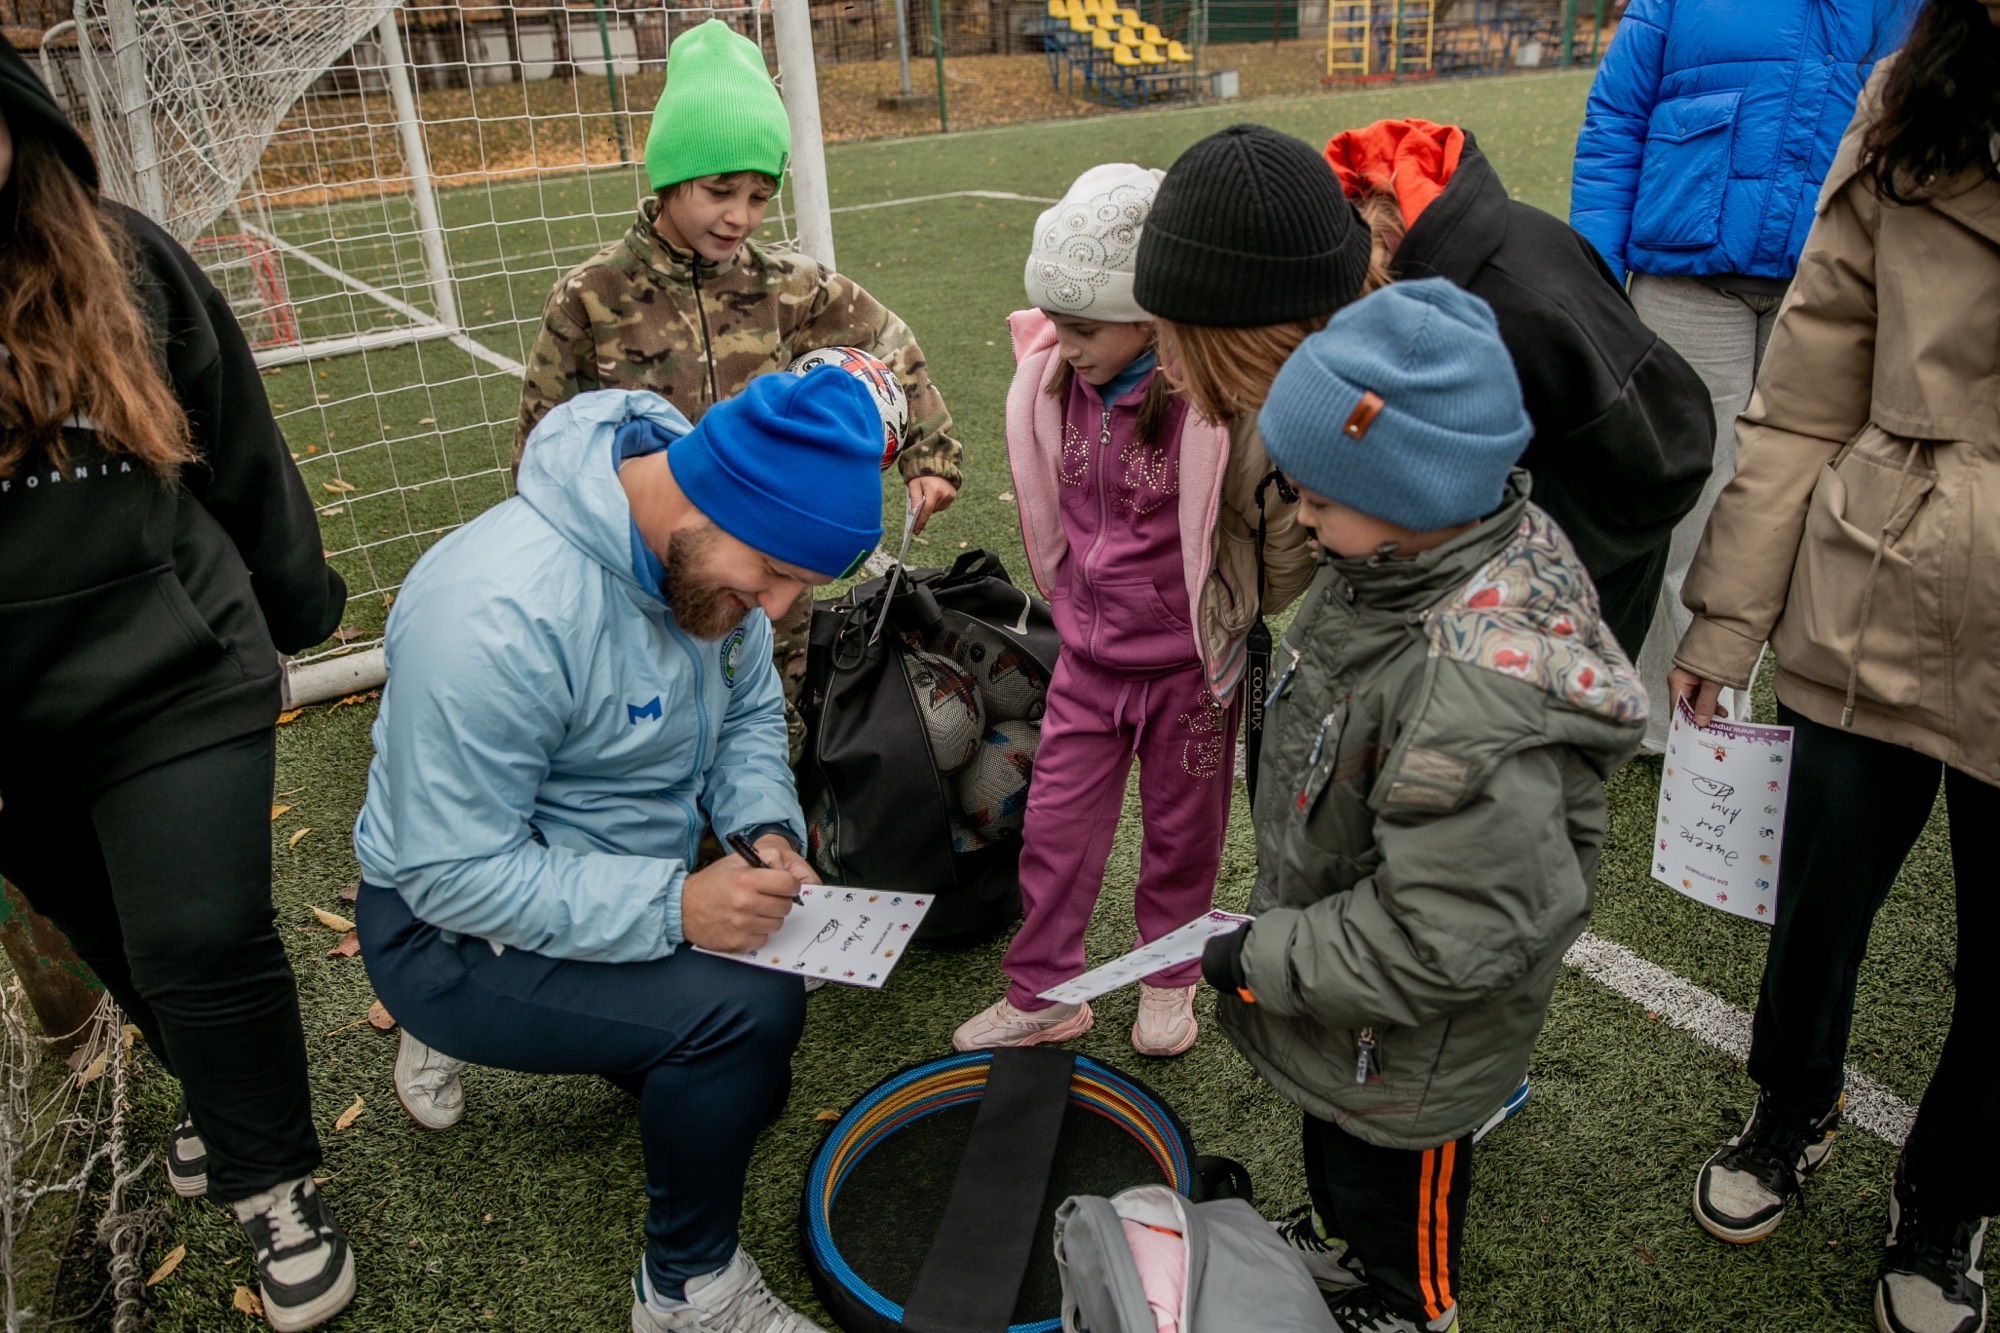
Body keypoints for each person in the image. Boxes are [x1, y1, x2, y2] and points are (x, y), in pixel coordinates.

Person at [355, 368, 884, 1333]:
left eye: (799, 585)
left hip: (596, 879)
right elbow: (448, 872)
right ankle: (685, 1290)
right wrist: (675, 910)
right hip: (438, 928)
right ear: (707, 494)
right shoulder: (494, 611)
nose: (774, 607)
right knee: (746, 1010)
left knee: (756, 1092)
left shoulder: (706, 555)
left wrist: (761, 827)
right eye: (773, 571)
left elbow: (749, 715)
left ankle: (640, 1027)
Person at [1199, 279, 1646, 1333]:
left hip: (1412, 1035)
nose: (1296, 516)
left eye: (1316, 495)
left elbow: (1448, 934)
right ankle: (1356, 1246)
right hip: (1349, 991)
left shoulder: (1475, 689)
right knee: (1344, 1153)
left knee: (1401, 1183)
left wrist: (1263, 957)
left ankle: (1408, 1303)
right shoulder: (1395, 561)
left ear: (1411, 488)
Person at [0, 46, 354, 1333]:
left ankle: (276, 1182)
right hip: (9, 710)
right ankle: (221, 1094)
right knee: (106, 927)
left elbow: (235, 432)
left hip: (174, 661)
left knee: (196, 932)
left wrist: (298, 602)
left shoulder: (118, 258)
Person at [1672, 6, 1997, 1328]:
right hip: (1876, 574)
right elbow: (1808, 382)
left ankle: (1952, 1198)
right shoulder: (1907, 93)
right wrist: (1725, 619)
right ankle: (1789, 1109)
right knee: (1816, 906)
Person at [514, 18, 961, 765]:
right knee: (646, 740)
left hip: (766, 589)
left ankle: (762, 840)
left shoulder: (788, 284)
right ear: (668, 178)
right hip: (650, 580)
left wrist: (930, 451)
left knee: (766, 733)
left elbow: (887, 344)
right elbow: (541, 446)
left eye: (759, 195)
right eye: (720, 189)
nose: (740, 216)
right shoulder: (590, 297)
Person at [951, 164, 1312, 1056]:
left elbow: (1271, 526)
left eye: (1085, 327)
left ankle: (1167, 975)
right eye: (1059, 325)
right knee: (1056, 830)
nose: (1065, 344)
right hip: (1086, 658)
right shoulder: (1051, 384)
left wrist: (1241, 609)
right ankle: (1045, 993)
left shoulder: (1210, 403)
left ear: (1150, 319)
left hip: (1189, 668)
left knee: (1183, 838)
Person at [1130, 123, 1713, 661]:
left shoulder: (1519, 303)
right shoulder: (1344, 309)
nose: (1178, 371)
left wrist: (1471, 547)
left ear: (1272, 325)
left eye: (1210, 352)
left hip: (1553, 581)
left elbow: (1671, 457)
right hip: (1408, 557)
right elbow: (1369, 424)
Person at [1570, 0, 1914, 749]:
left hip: (1836, 290)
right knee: (1681, 504)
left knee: (1822, 513)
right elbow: (1616, 121)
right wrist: (1593, 281)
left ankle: (1787, 719)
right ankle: (1677, 728)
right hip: (1686, 280)